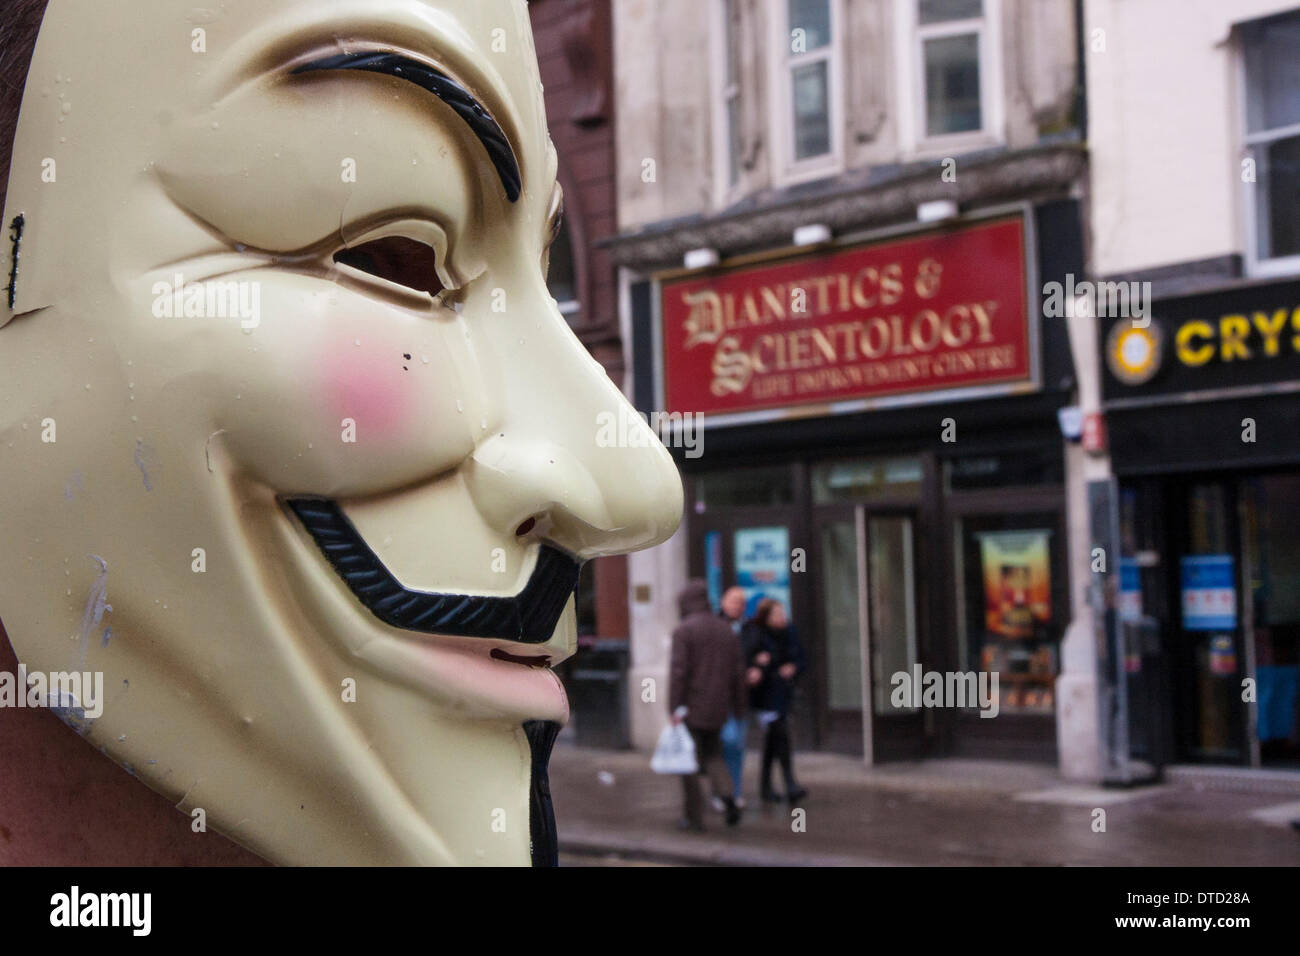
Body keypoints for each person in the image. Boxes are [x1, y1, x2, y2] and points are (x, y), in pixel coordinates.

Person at [669, 580, 748, 830]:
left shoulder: (684, 630)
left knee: (687, 762)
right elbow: (738, 672)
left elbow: (679, 672)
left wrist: (674, 707)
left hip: (692, 707)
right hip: (719, 707)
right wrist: (738, 706)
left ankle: (694, 817)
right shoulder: (726, 629)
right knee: (715, 755)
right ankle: (728, 797)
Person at [741, 599, 808, 803]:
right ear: (767, 617)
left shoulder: (790, 632)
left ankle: (766, 787)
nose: (782, 617)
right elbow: (744, 658)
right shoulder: (754, 632)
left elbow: (802, 658)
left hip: (782, 693)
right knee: (780, 735)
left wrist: (793, 667)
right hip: (765, 696)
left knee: (773, 740)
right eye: (777, 614)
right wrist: (758, 665)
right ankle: (789, 783)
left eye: (782, 612)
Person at [718, 585, 750, 807]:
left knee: (737, 747)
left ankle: (734, 792)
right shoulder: (716, 627)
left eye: (740, 602)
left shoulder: (748, 628)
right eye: (733, 601)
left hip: (741, 698)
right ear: (723, 603)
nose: (736, 606)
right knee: (725, 745)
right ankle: (722, 792)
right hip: (721, 699)